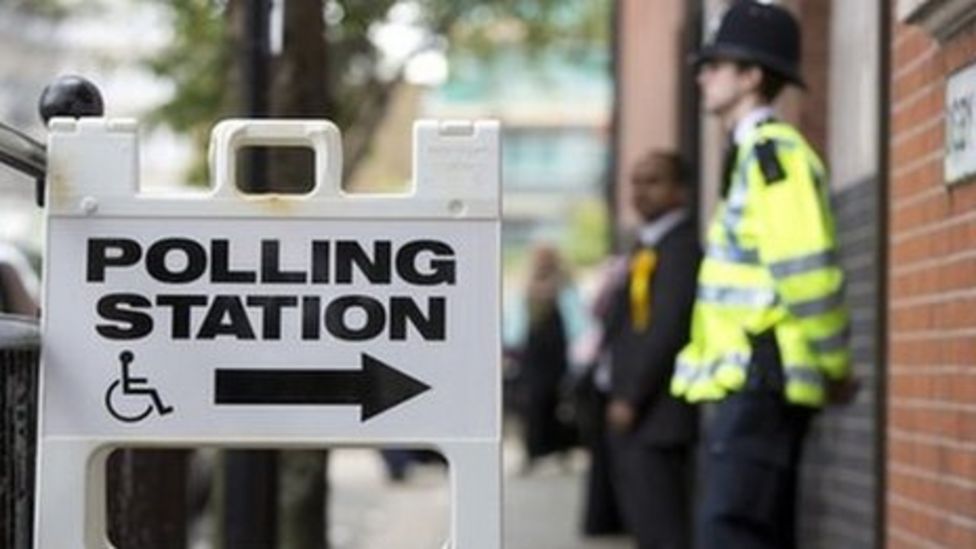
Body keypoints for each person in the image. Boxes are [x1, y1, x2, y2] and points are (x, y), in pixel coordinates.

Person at [670, 3, 858, 548]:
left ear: (751, 76)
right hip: (751, 384)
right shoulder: (754, 154)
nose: (702, 74)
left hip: (762, 380)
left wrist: (835, 365)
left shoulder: (773, 155)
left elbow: (807, 272)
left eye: (716, 64)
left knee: (731, 533)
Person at [601, 151, 701, 549]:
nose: (640, 191)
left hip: (656, 415)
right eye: (635, 181)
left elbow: (665, 330)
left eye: (653, 181)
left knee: (662, 528)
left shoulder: (679, 250)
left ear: (680, 190)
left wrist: (629, 395)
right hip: (638, 414)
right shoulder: (645, 247)